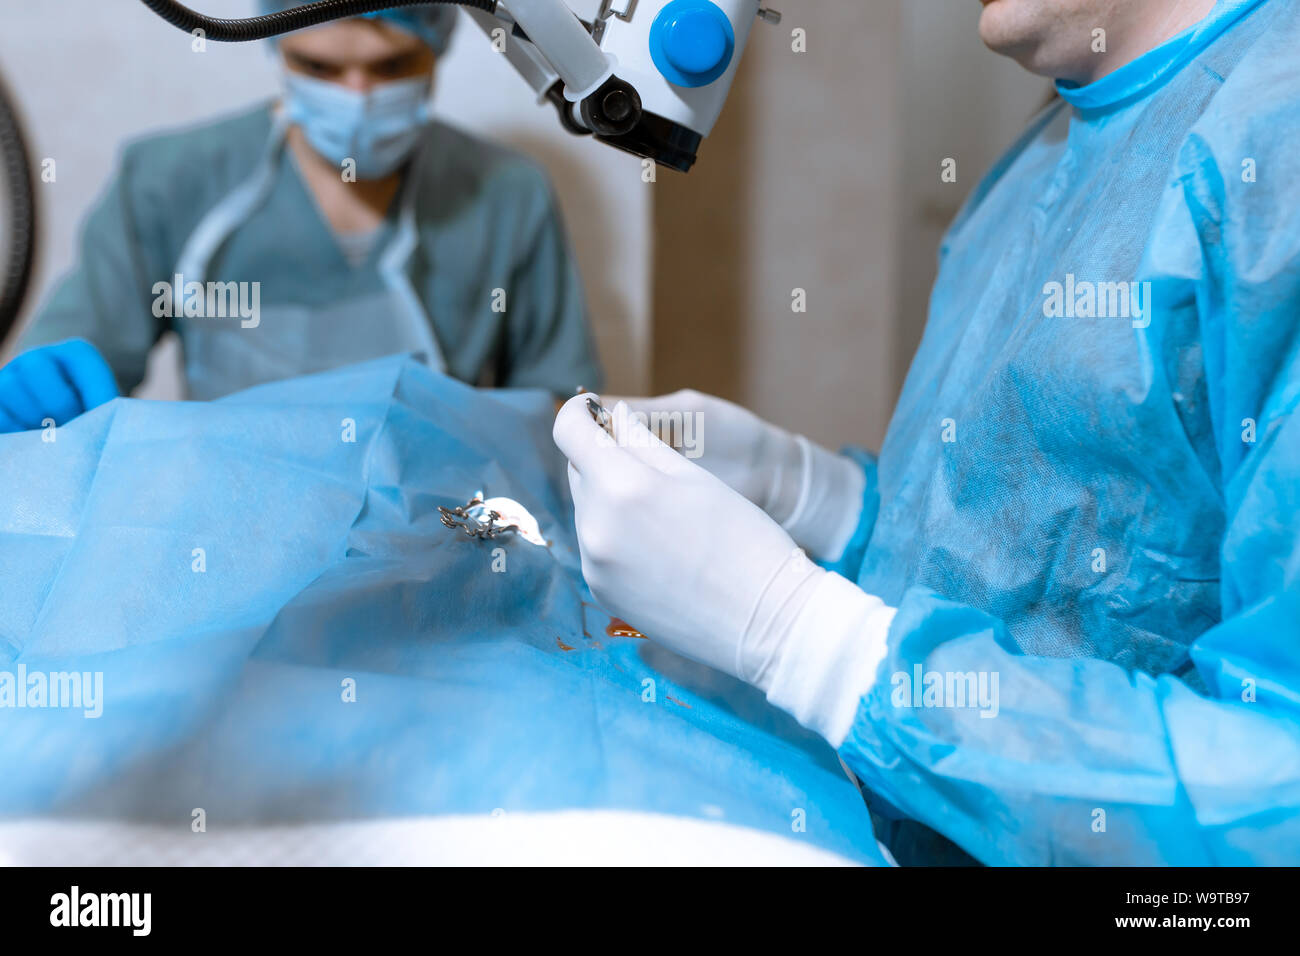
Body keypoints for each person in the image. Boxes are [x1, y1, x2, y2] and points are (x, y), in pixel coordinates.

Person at [554, 0, 1300, 865]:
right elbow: (1035, 555)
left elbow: (1275, 800)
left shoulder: (1274, 153)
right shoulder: (1057, 136)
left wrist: (810, 641)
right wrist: (815, 498)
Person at [0, 3, 601, 432]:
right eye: (319, 67)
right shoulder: (168, 180)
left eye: (392, 67)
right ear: (275, 44)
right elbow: (75, 356)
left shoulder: (508, 195)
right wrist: (44, 389)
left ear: (437, 45)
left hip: (435, 550)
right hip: (228, 546)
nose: (358, 95)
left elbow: (560, 405)